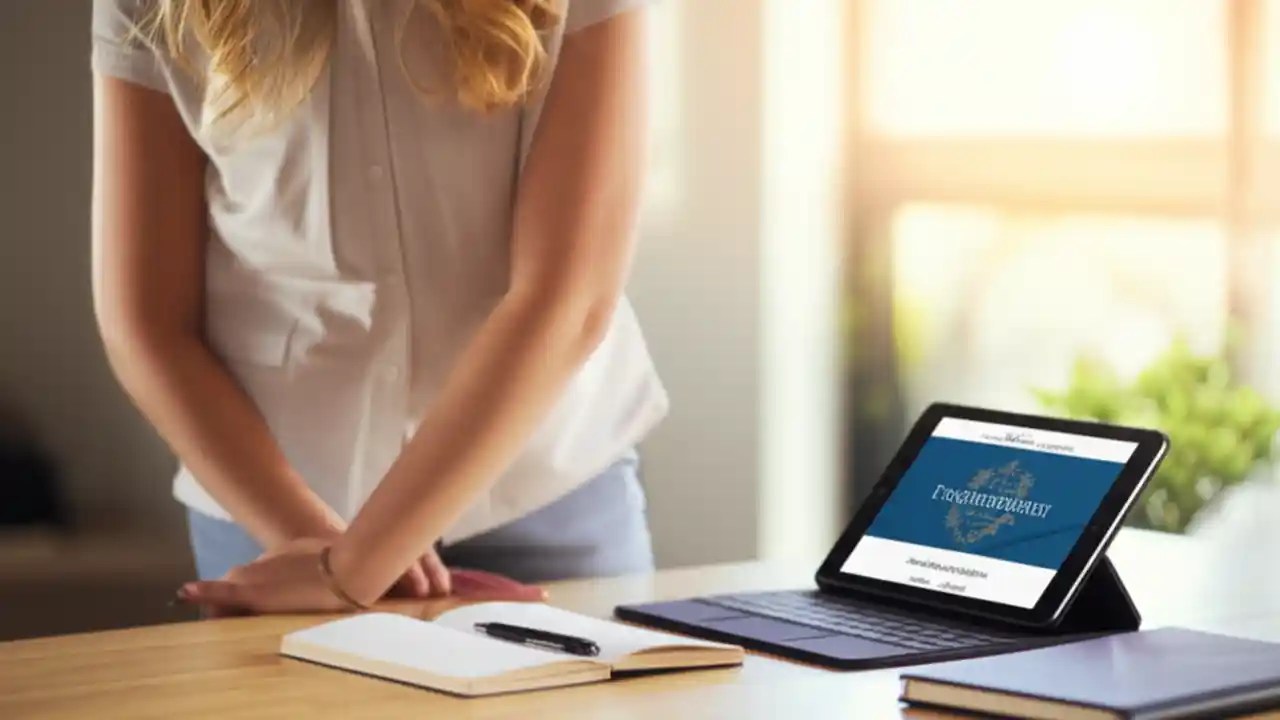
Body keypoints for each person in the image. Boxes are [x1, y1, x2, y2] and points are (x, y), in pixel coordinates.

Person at [90, 0, 667, 614]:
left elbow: (566, 300)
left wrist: (353, 568)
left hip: (538, 500)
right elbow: (146, 325)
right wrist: (315, 550)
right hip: (268, 515)